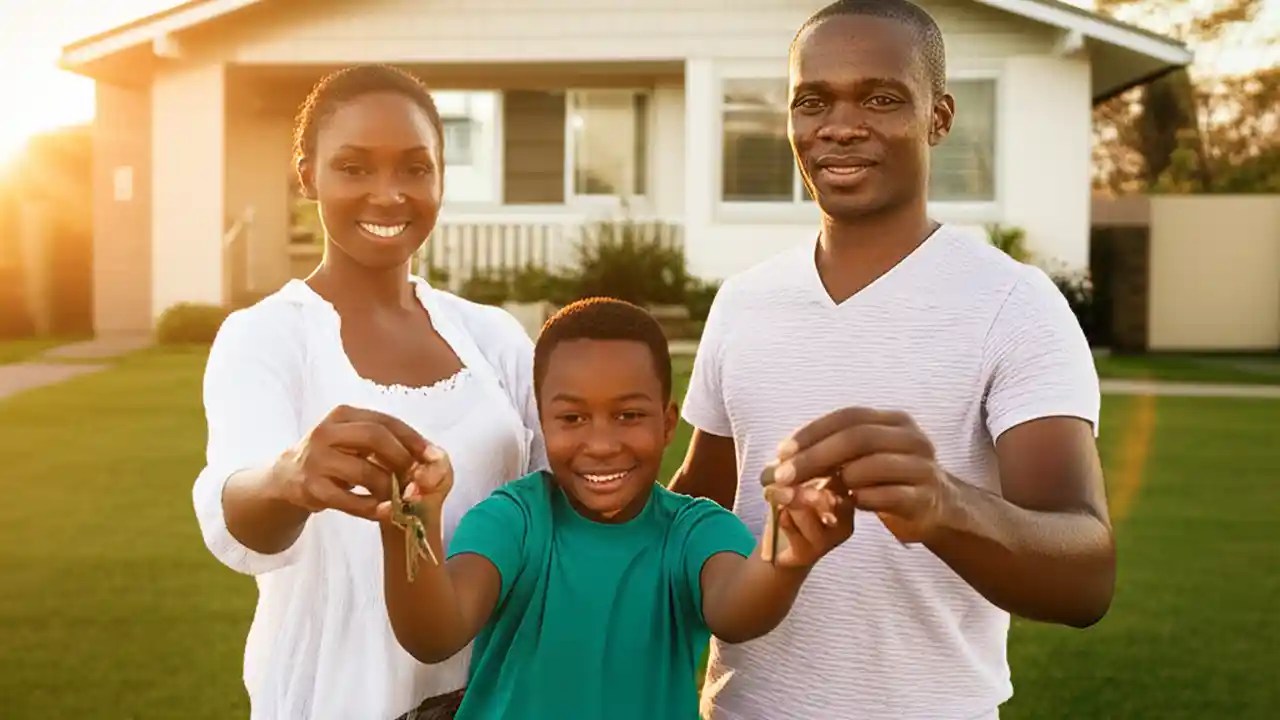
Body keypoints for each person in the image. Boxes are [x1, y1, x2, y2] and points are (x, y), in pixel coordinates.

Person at [670, 1, 1116, 718]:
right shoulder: (744, 300)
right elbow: (696, 508)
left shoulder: (1013, 303)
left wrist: (945, 507)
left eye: (880, 97)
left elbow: (1087, 577)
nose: (840, 126)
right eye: (812, 101)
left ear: (939, 118)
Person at [191, 64, 546, 720]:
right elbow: (235, 512)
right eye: (354, 168)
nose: (388, 195)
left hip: (494, 696)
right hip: (335, 695)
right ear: (308, 175)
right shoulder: (267, 336)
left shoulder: (493, 336)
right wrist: (287, 478)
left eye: (415, 168)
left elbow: (560, 506)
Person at [375, 297, 856, 719]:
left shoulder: (692, 530)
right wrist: (409, 524)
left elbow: (736, 610)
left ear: (668, 425)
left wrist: (785, 554)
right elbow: (435, 633)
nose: (601, 444)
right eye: (573, 418)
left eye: (628, 415)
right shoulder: (513, 519)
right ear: (543, 423)